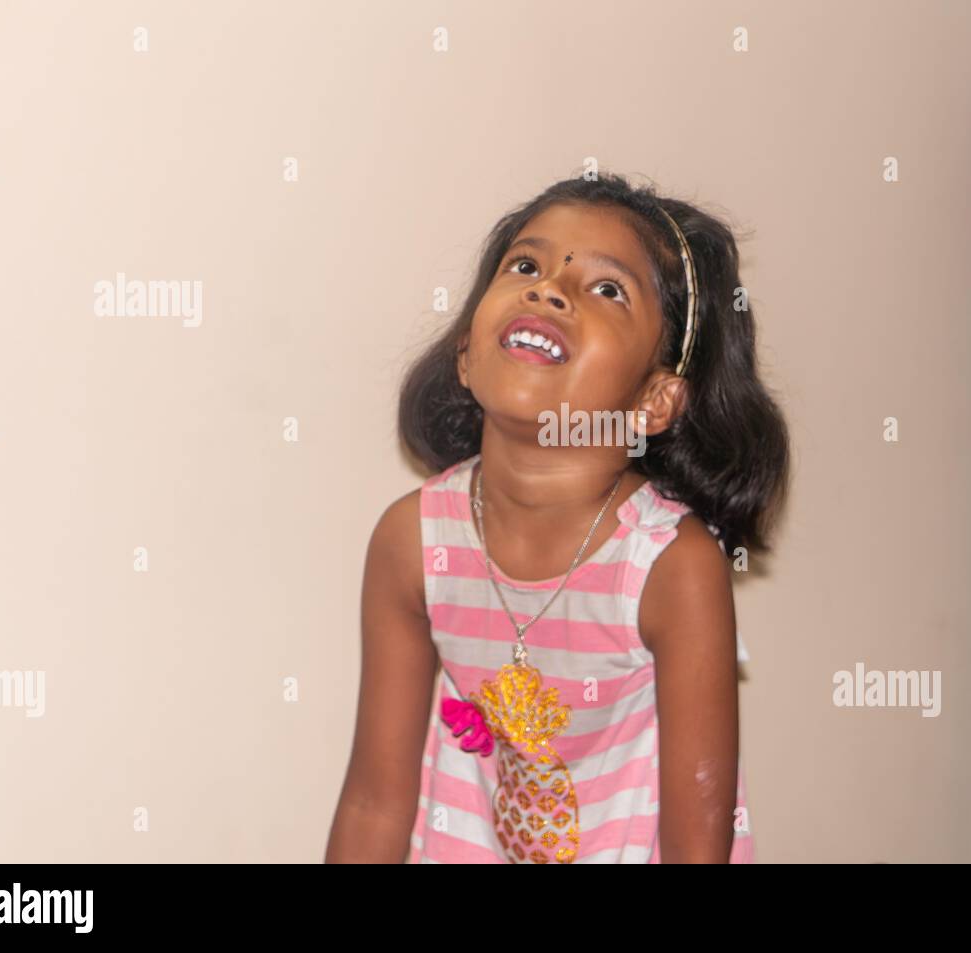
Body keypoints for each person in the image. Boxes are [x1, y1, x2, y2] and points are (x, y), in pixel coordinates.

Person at [326, 172, 789, 863]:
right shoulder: (414, 541)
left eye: (607, 289)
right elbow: (374, 802)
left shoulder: (669, 567)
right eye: (525, 265)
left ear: (656, 400)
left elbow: (700, 845)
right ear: (464, 351)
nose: (549, 288)